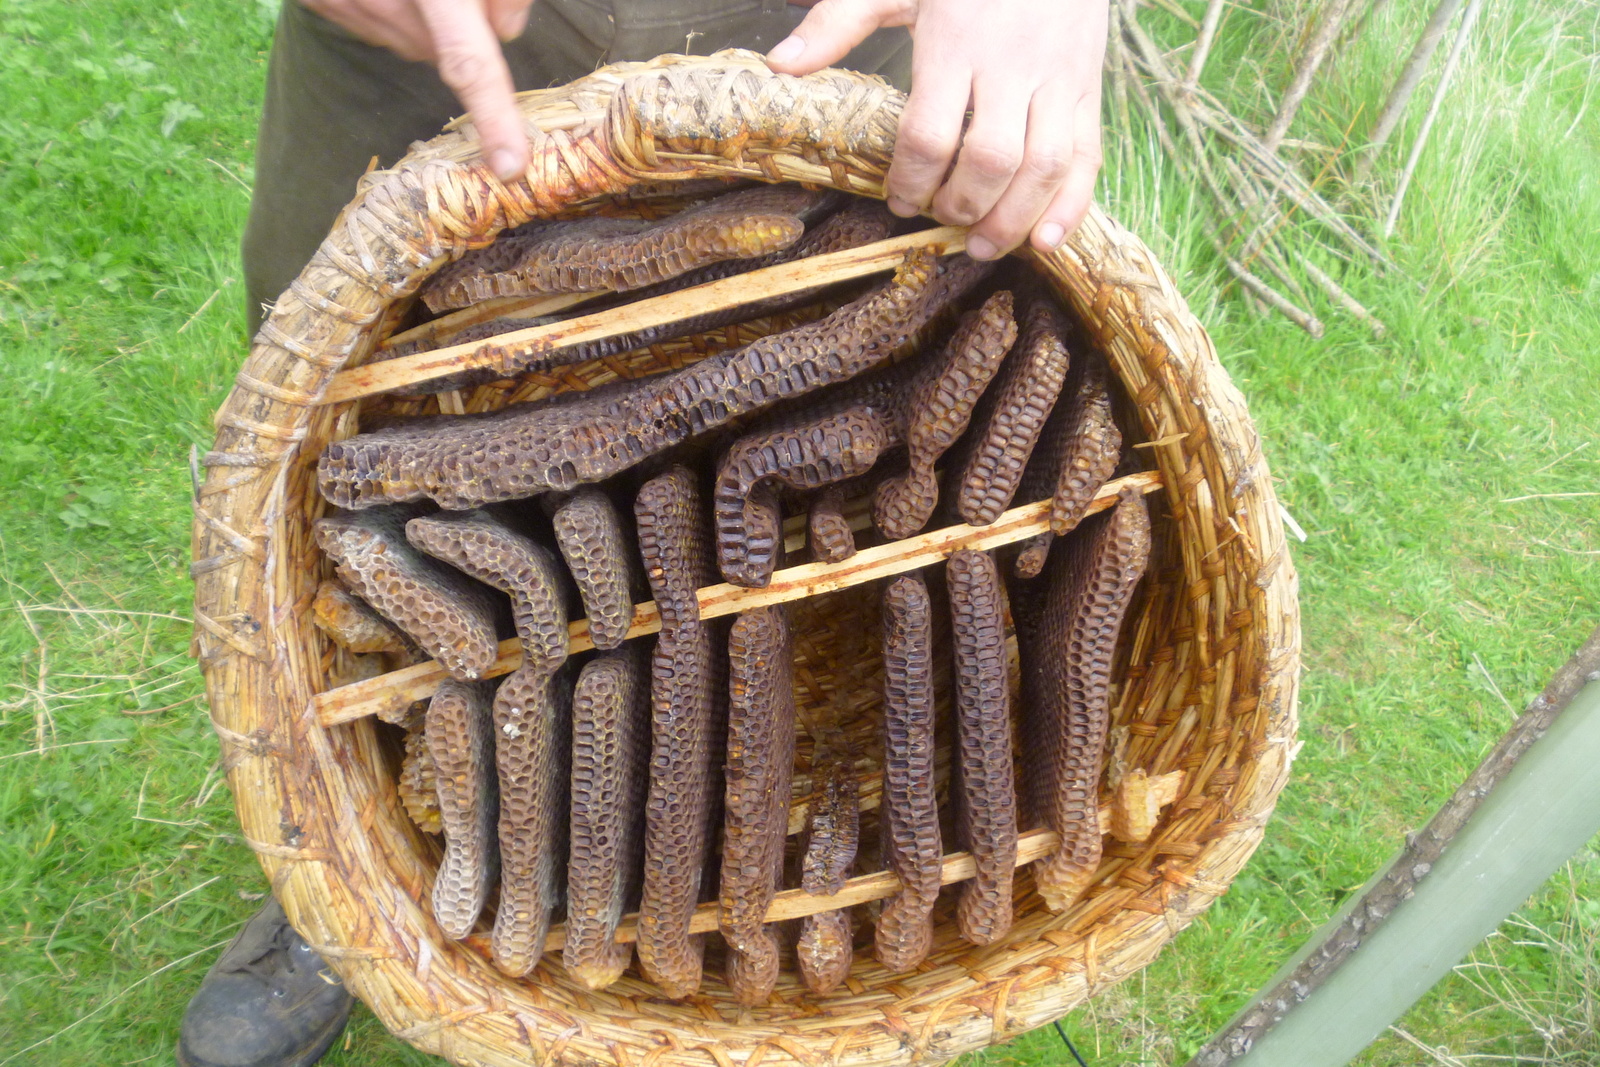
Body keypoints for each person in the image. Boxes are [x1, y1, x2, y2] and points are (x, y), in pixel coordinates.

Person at [181, 1, 1107, 1064]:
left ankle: (679, 907)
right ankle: (353, 868)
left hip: (844, 28)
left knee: (920, 266)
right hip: (443, 38)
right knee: (336, 434)